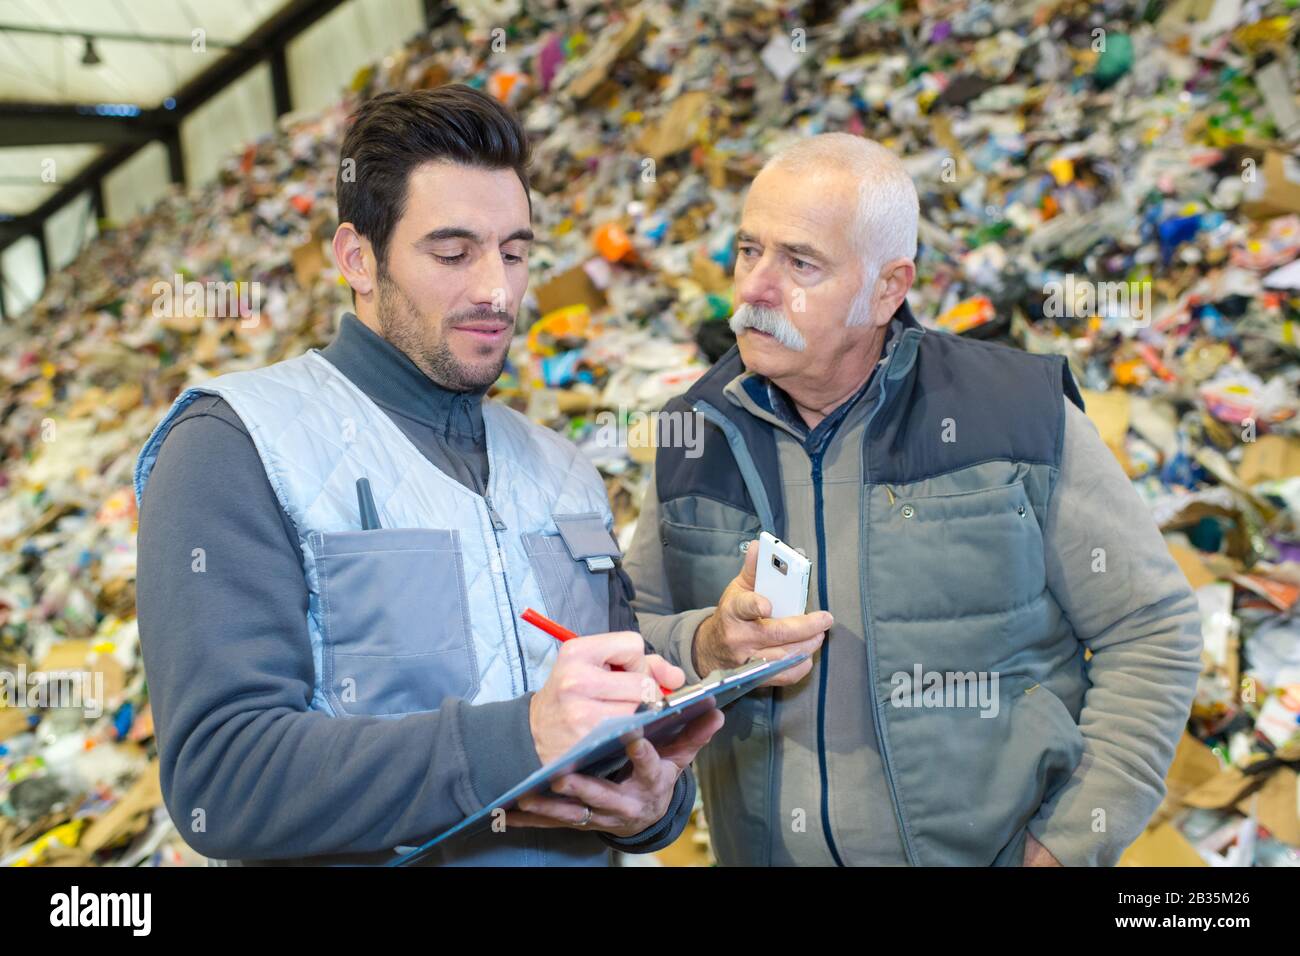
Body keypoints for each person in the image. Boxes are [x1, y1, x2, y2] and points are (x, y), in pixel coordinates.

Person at [134, 85, 721, 866]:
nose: (497, 291)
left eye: (514, 252)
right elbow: (223, 780)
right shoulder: (238, 446)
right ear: (357, 258)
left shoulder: (562, 470)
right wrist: (518, 738)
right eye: (453, 253)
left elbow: (616, 708)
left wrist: (652, 803)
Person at [623, 133, 1202, 866]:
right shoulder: (695, 434)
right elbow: (633, 640)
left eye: (800, 262)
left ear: (889, 287)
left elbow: (1151, 628)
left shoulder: (1016, 416)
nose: (755, 289)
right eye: (748, 250)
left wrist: (1068, 844)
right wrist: (707, 644)